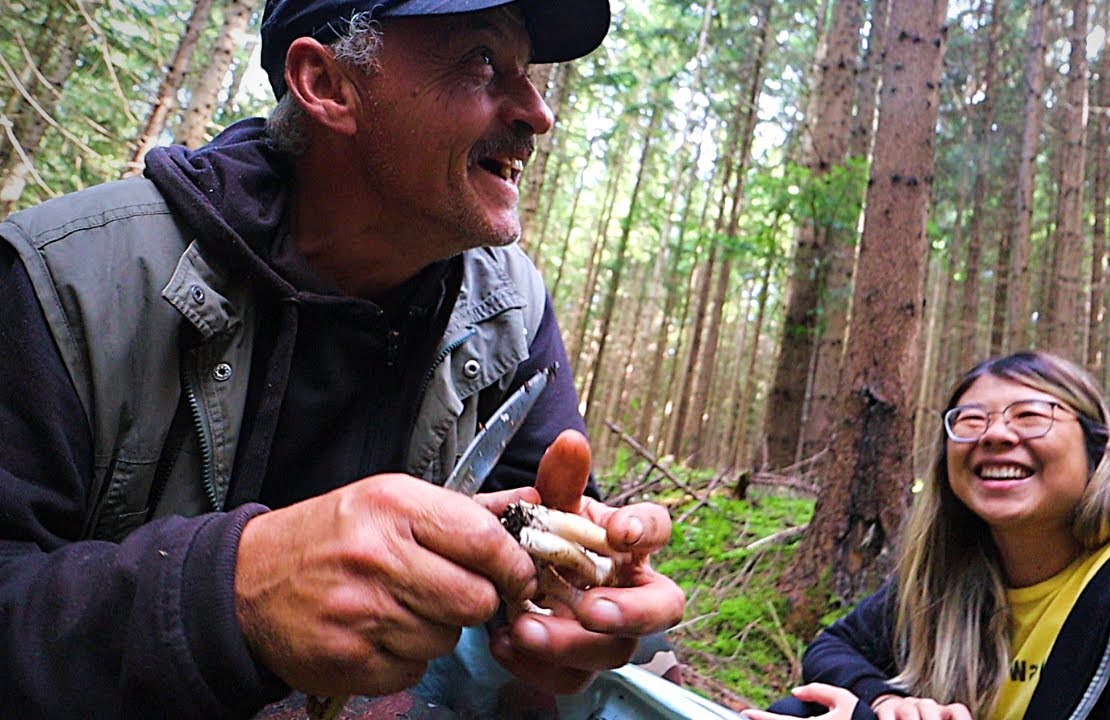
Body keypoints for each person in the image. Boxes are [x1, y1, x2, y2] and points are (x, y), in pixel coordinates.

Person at [0, 1, 685, 717]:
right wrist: (229, 596)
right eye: (483, 58)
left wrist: (575, 595)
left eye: (529, 72)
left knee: (635, 685)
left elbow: (547, 520)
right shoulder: (68, 281)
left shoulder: (508, 310)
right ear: (326, 85)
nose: (538, 112)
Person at [744, 350, 1110, 720]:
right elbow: (834, 645)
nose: (996, 435)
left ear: (1097, 448)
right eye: (970, 421)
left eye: (1031, 415)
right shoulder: (953, 580)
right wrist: (881, 700)